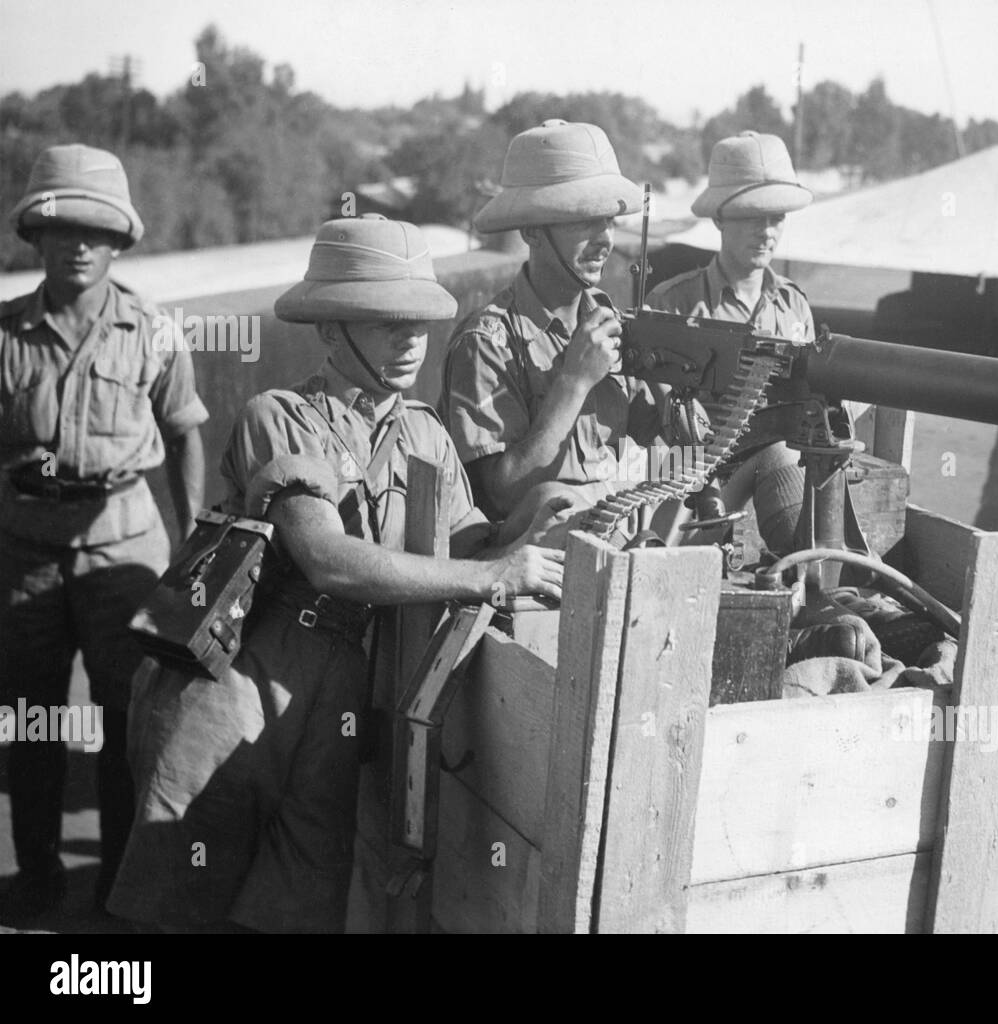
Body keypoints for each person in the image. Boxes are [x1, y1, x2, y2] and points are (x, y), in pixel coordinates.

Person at [108, 215, 567, 932]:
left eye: (418, 319)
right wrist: (495, 577)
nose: (411, 337)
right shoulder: (281, 417)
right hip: (242, 680)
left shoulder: (425, 434)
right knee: (183, 895)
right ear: (330, 329)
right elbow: (326, 560)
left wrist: (536, 515)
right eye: (385, 320)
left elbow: (470, 543)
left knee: (297, 909)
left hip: (344, 701)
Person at [0, 144, 207, 919]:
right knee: (31, 716)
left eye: (95, 231)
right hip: (24, 547)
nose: (78, 244)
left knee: (131, 719)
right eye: (61, 229)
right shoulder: (7, 333)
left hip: (126, 544)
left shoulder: (153, 331)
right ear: (35, 239)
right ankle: (38, 876)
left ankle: (119, 885)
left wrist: (191, 546)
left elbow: (185, 431)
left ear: (119, 243)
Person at [648, 131, 866, 552]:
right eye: (752, 217)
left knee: (790, 454)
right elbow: (649, 424)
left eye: (777, 218)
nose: (766, 232)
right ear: (719, 219)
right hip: (691, 486)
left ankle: (810, 578)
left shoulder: (792, 306)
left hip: (778, 469)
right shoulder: (674, 305)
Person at [440, 120, 662, 531]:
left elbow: (658, 448)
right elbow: (501, 496)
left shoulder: (608, 322)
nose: (605, 239)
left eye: (610, 221)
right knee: (554, 501)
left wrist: (678, 398)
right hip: (535, 559)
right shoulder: (487, 343)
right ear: (531, 231)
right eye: (584, 220)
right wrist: (574, 382)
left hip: (619, 528)